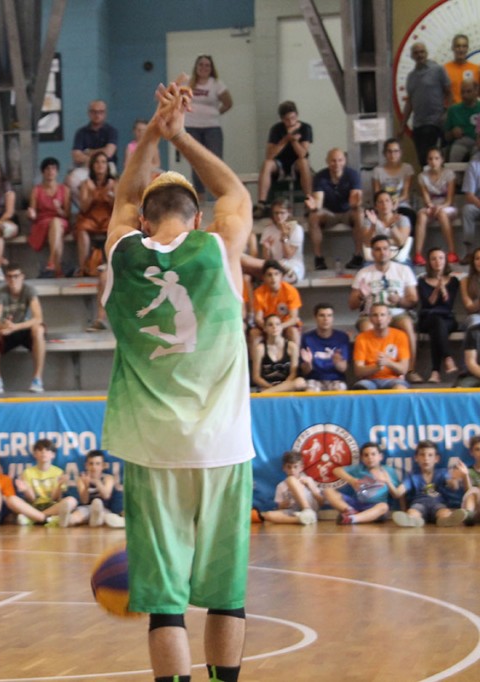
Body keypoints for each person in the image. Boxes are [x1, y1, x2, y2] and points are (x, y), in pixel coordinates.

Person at [102, 79, 254, 681]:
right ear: (198, 216)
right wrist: (181, 134)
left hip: (152, 450)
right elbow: (235, 191)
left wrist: (150, 131)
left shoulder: (120, 254)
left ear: (144, 218)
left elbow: (121, 195)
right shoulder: (220, 251)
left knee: (165, 605)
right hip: (222, 448)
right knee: (226, 593)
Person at [349, 234, 419, 381]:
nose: (382, 252)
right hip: (371, 315)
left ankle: (409, 371)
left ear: (391, 251)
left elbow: (413, 300)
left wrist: (400, 300)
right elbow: (352, 304)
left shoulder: (403, 270)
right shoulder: (363, 273)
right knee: (368, 328)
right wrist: (361, 295)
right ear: (372, 252)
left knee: (407, 324)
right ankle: (371, 372)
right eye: (378, 249)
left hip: (397, 313)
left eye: (385, 249)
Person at [0, 263, 46, 394]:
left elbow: (38, 318)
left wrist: (15, 327)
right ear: (6, 278)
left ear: (22, 277)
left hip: (24, 330)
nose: (13, 280)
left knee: (39, 330)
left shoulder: (29, 290)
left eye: (16, 276)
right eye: (9, 276)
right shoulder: (1, 293)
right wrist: (4, 326)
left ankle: (37, 379)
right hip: (8, 331)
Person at [306, 148, 365, 271]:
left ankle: (358, 255)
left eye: (340, 160)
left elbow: (355, 200)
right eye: (333, 161)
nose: (337, 164)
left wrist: (356, 203)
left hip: (348, 211)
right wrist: (314, 206)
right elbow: (319, 201)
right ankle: (318, 258)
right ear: (327, 161)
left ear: (345, 161)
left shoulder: (353, 175)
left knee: (360, 214)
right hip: (329, 213)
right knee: (313, 216)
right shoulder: (320, 176)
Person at [254, 101, 313, 219]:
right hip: (279, 163)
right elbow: (269, 155)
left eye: (293, 118)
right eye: (287, 119)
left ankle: (309, 199)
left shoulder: (305, 128)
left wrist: (294, 141)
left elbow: (303, 154)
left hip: (297, 163)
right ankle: (262, 203)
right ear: (282, 119)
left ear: (297, 115)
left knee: (304, 163)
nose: (291, 122)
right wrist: (285, 140)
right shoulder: (276, 129)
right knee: (267, 164)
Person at [185, 54, 233, 198]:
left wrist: (215, 113)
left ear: (211, 68)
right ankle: (200, 195)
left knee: (214, 160)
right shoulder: (188, 82)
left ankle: (219, 193)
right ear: (196, 67)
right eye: (201, 65)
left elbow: (228, 103)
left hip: (212, 127)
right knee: (196, 160)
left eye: (207, 65)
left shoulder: (216, 83)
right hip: (191, 126)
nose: (204, 68)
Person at [393, 440, 470, 527]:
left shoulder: (442, 473)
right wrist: (389, 482)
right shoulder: (412, 476)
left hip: (437, 503)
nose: (426, 458)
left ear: (436, 459)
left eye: (430, 455)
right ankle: (414, 520)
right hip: (419, 503)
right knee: (413, 512)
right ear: (416, 458)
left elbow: (453, 486)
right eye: (422, 455)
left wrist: (455, 478)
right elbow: (399, 492)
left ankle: (445, 520)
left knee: (444, 512)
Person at [323, 442, 403, 525]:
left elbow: (396, 494)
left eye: (373, 454)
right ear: (362, 458)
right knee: (327, 491)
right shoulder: (359, 469)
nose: (370, 458)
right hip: (357, 504)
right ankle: (350, 511)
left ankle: (353, 519)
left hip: (375, 507)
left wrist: (387, 481)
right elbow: (336, 470)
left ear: (380, 457)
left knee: (384, 507)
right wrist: (352, 480)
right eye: (366, 455)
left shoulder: (388, 471)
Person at [403, 42, 452, 167]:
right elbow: (409, 102)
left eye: (422, 52)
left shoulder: (438, 69)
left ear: (426, 53)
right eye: (416, 53)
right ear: (412, 56)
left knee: (436, 160)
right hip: (418, 124)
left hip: (436, 122)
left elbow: (448, 92)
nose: (419, 55)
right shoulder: (411, 77)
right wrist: (402, 125)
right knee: (423, 161)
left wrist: (448, 114)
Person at [417, 247, 460, 383]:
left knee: (437, 327)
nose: (437, 261)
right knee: (436, 322)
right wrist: (437, 289)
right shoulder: (422, 281)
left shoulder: (453, 281)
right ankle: (447, 358)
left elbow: (448, 305)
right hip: (427, 319)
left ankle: (435, 372)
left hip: (447, 319)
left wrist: (443, 288)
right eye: (433, 259)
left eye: (441, 258)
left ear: (445, 260)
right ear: (429, 262)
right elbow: (428, 304)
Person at [14, 439, 77, 526]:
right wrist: (25, 490)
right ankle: (49, 519)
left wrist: (59, 485)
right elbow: (31, 499)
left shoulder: (58, 472)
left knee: (72, 501)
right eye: (40, 450)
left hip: (53, 506)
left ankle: (35, 518)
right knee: (15, 501)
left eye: (47, 450)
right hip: (34, 507)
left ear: (53, 455)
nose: (43, 453)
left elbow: (55, 499)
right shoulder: (27, 472)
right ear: (35, 454)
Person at [414, 147, 459, 265]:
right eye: (430, 159)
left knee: (442, 213)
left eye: (436, 158)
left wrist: (441, 207)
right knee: (421, 215)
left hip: (447, 206)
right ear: (427, 161)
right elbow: (426, 198)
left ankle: (452, 252)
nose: (433, 162)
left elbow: (450, 199)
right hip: (431, 205)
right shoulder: (422, 176)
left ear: (442, 160)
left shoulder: (449, 174)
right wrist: (430, 206)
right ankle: (418, 254)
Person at [351, 302, 411, 390]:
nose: (379, 318)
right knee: (361, 388)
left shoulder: (400, 336)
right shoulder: (361, 338)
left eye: (382, 315)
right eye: (375, 315)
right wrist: (377, 367)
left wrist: (388, 362)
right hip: (370, 380)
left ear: (389, 318)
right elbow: (358, 371)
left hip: (393, 379)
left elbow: (403, 369)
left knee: (400, 388)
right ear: (370, 319)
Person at [27, 157, 71, 278]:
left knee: (56, 222)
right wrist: (31, 213)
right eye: (47, 169)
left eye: (53, 168)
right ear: (42, 172)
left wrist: (59, 210)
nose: (50, 171)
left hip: (60, 220)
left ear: (57, 171)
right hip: (42, 222)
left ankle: (51, 261)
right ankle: (58, 268)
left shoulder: (64, 189)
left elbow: (67, 215)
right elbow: (33, 212)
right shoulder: (36, 190)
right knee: (57, 231)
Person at [68, 99, 119, 203]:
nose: (97, 115)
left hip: (107, 166)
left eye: (101, 112)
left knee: (113, 185)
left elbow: (109, 152)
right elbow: (76, 155)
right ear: (89, 113)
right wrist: (97, 156)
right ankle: (86, 207)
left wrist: (88, 151)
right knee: (71, 181)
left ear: (105, 113)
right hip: (86, 166)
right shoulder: (81, 132)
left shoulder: (111, 131)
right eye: (94, 112)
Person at [75, 151, 116, 277]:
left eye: (103, 162)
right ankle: (83, 268)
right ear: (92, 165)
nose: (100, 165)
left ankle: (114, 268)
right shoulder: (86, 183)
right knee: (81, 228)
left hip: (108, 217)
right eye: (97, 162)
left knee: (117, 228)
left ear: (107, 166)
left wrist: (110, 197)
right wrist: (93, 193)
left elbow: (118, 207)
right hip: (90, 216)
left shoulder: (114, 183)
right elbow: (83, 208)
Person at [61, 450, 125, 528]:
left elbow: (106, 496)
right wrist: (86, 486)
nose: (94, 467)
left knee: (103, 511)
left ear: (103, 466)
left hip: (103, 508)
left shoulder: (108, 478)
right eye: (91, 464)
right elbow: (84, 500)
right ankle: (66, 519)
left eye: (97, 464)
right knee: (75, 518)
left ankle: (96, 519)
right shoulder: (81, 479)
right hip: (86, 507)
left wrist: (96, 482)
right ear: (86, 465)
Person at [258, 451, 322, 525]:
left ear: (301, 467)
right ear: (284, 468)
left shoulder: (308, 480)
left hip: (311, 509)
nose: (292, 470)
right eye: (289, 467)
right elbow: (279, 507)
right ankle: (302, 519)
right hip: (294, 511)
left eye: (295, 467)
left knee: (290, 479)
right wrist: (281, 505)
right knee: (268, 515)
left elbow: (321, 502)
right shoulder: (281, 486)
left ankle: (307, 511)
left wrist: (312, 489)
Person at [299, 303, 351, 392]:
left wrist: (337, 362)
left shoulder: (342, 337)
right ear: (315, 318)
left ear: (333, 318)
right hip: (314, 379)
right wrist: (308, 363)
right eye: (322, 315)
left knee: (339, 390)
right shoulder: (306, 338)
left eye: (329, 316)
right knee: (309, 391)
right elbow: (305, 372)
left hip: (336, 380)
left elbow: (343, 368)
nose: (326, 319)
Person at [250, 314, 307, 393]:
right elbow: (256, 377)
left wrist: (282, 387)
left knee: (300, 382)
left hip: (287, 386)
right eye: (270, 325)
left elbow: (293, 374)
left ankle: (266, 394)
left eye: (278, 324)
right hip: (267, 386)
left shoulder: (292, 347)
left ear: (281, 327)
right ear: (265, 328)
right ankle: (270, 392)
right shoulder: (260, 348)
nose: (274, 327)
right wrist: (271, 388)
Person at [250, 260, 302, 346]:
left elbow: (294, 318)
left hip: (285, 325)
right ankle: (256, 360)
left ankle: (295, 359)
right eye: (269, 275)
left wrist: (279, 327)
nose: (273, 278)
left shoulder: (291, 291)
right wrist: (269, 328)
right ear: (264, 277)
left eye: (276, 274)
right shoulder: (258, 293)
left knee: (293, 332)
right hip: (267, 326)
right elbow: (258, 318)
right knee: (253, 333)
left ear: (281, 276)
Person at [258, 200, 305, 282]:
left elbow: (288, 255)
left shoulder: (297, 229)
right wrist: (267, 249)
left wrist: (284, 236)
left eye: (282, 213)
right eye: (276, 213)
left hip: (293, 265)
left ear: (288, 212)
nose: (279, 216)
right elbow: (266, 259)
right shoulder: (267, 230)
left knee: (281, 278)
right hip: (274, 265)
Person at [372, 138, 415, 223]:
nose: (392, 154)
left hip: (401, 203)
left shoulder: (407, 169)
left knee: (410, 216)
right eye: (389, 151)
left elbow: (405, 194)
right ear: (384, 153)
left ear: (400, 153)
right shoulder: (377, 171)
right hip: (383, 204)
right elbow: (377, 194)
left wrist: (396, 202)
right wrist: (387, 204)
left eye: (396, 151)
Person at [363, 191, 412, 264]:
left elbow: (401, 242)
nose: (384, 204)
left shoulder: (402, 219)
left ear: (392, 204)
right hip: (375, 259)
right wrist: (373, 225)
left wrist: (392, 226)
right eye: (380, 202)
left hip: (398, 257)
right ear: (376, 206)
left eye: (387, 201)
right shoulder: (369, 220)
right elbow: (367, 243)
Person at [445, 80, 480, 162]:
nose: (465, 95)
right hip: (461, 142)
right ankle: (453, 174)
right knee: (455, 152)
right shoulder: (453, 110)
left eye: (469, 91)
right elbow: (446, 137)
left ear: (476, 91)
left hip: (478, 142)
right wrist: (452, 133)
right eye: (462, 92)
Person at [444, 34, 480, 106]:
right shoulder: (444, 70)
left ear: (467, 48)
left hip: (472, 114)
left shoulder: (476, 69)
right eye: (458, 46)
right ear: (453, 48)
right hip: (453, 113)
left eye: (464, 46)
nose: (461, 49)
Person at [458, 435, 480, 524]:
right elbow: (467, 492)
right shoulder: (469, 471)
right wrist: (466, 475)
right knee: (473, 492)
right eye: (477, 449)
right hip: (474, 505)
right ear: (471, 452)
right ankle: (469, 516)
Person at [462, 157, 480, 256]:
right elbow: (469, 195)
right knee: (467, 210)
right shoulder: (474, 164)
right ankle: (469, 253)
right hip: (478, 203)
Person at [462, 246, 480, 332]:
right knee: (475, 322)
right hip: (474, 316)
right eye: (477, 259)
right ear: (473, 262)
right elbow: (469, 307)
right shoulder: (465, 281)